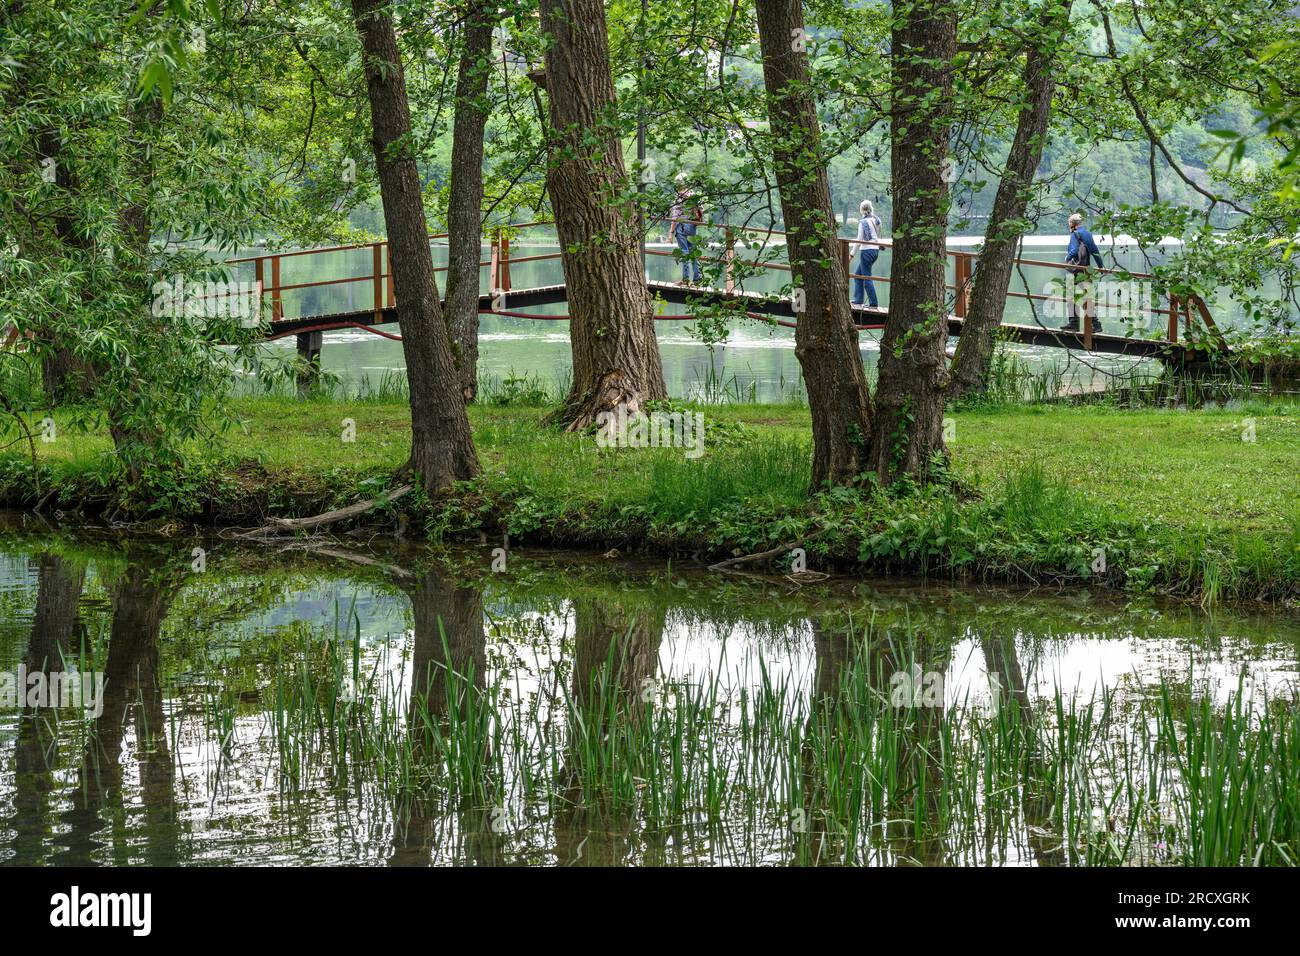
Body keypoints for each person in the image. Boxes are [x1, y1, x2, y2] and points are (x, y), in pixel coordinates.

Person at [1063, 212, 1103, 332]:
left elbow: (1074, 251)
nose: (1069, 225)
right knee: (1087, 297)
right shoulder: (1087, 233)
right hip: (1086, 270)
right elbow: (1095, 251)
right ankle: (1096, 324)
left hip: (1077, 270)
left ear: (1073, 224)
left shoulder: (1075, 234)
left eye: (1069, 222)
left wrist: (1067, 258)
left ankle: (1074, 324)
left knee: (1072, 295)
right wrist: (1100, 265)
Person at [850, 200, 882, 309]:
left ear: (862, 210)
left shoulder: (863, 222)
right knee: (857, 275)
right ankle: (858, 300)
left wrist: (851, 254)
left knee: (866, 277)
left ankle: (873, 303)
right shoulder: (877, 220)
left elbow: (859, 240)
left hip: (866, 251)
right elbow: (878, 236)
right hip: (875, 251)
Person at [668, 190, 702, 285]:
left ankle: (686, 280)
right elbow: (700, 212)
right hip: (692, 227)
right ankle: (697, 280)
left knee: (684, 253)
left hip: (682, 227)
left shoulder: (680, 197)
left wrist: (671, 233)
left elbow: (675, 218)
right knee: (693, 254)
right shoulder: (694, 195)